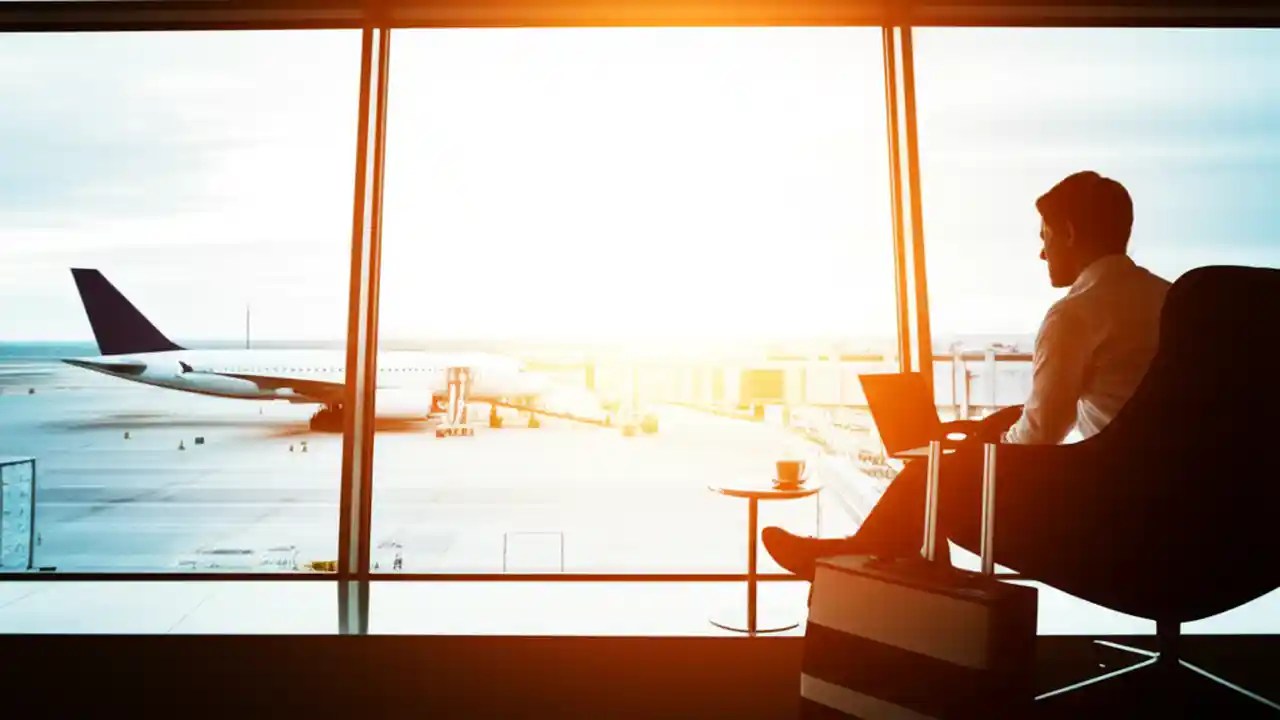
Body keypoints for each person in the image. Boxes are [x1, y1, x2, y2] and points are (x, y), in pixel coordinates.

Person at [763, 170, 1172, 579]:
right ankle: (880, 555)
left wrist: (986, 450)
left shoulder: (1075, 314)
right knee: (936, 484)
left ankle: (855, 559)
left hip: (1111, 512)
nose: (1042, 254)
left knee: (931, 475)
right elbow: (1119, 400)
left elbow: (1039, 438)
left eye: (1045, 237)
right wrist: (1000, 426)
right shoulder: (1170, 299)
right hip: (1170, 502)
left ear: (1068, 232)